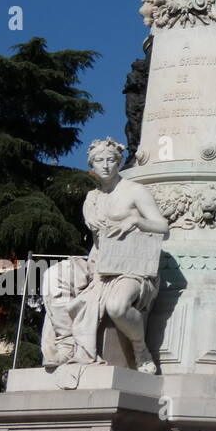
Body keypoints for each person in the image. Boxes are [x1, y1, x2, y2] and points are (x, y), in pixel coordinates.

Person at [41, 138, 167, 378]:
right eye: (99, 161)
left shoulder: (134, 191)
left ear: (119, 162)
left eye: (111, 160)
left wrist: (136, 221)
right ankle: (67, 343)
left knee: (117, 306)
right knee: (53, 275)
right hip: (98, 266)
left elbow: (163, 227)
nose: (106, 166)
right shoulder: (92, 198)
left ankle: (141, 350)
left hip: (131, 267)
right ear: (92, 165)